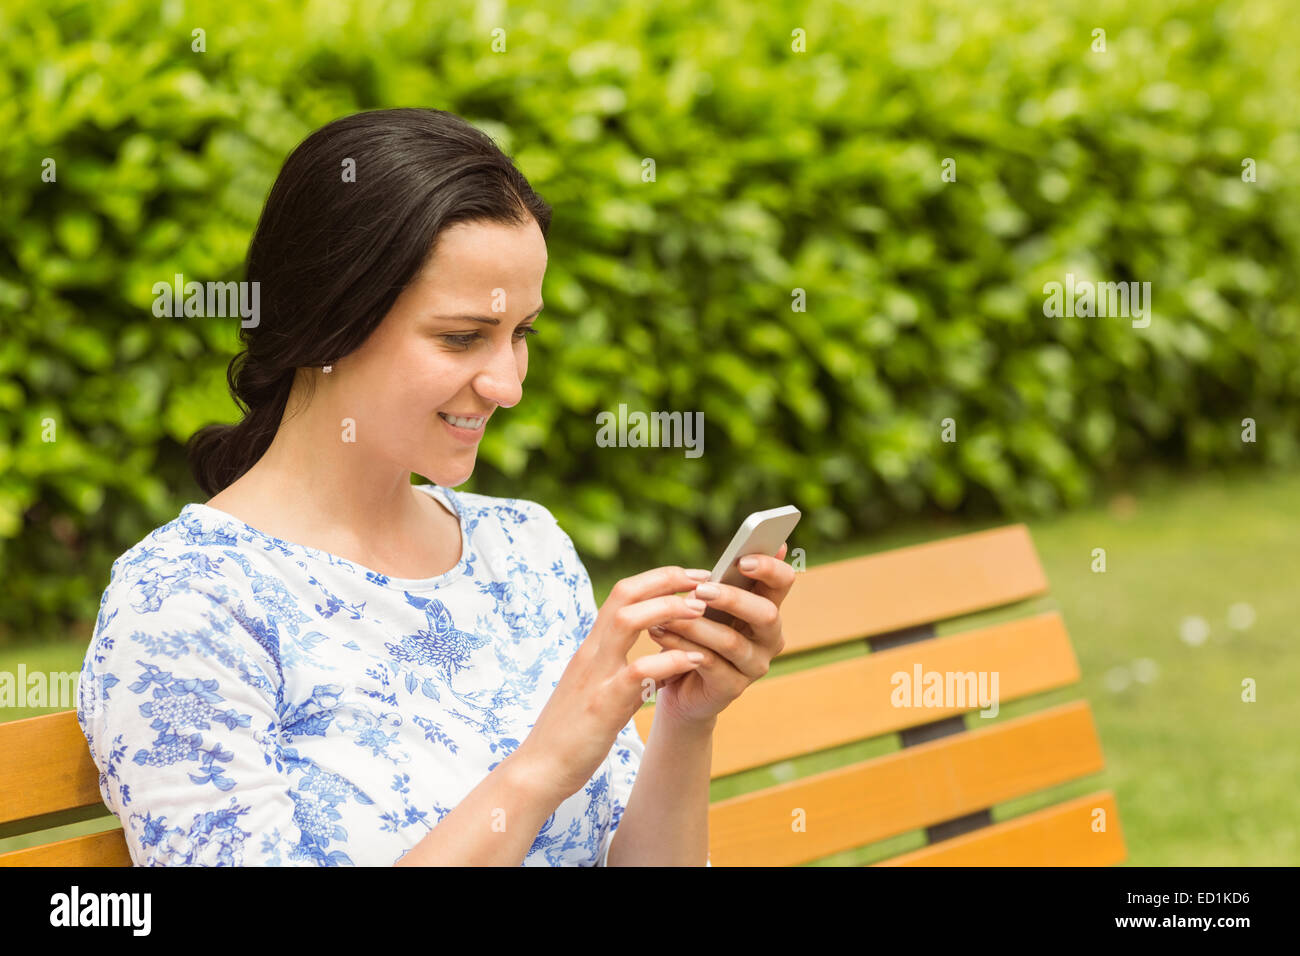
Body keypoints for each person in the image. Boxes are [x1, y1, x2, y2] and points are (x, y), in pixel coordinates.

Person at [77, 108, 794, 866]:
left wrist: (687, 722)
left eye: (522, 333)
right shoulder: (188, 605)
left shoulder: (525, 551)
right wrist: (539, 769)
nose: (509, 384)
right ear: (331, 322)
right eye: (462, 337)